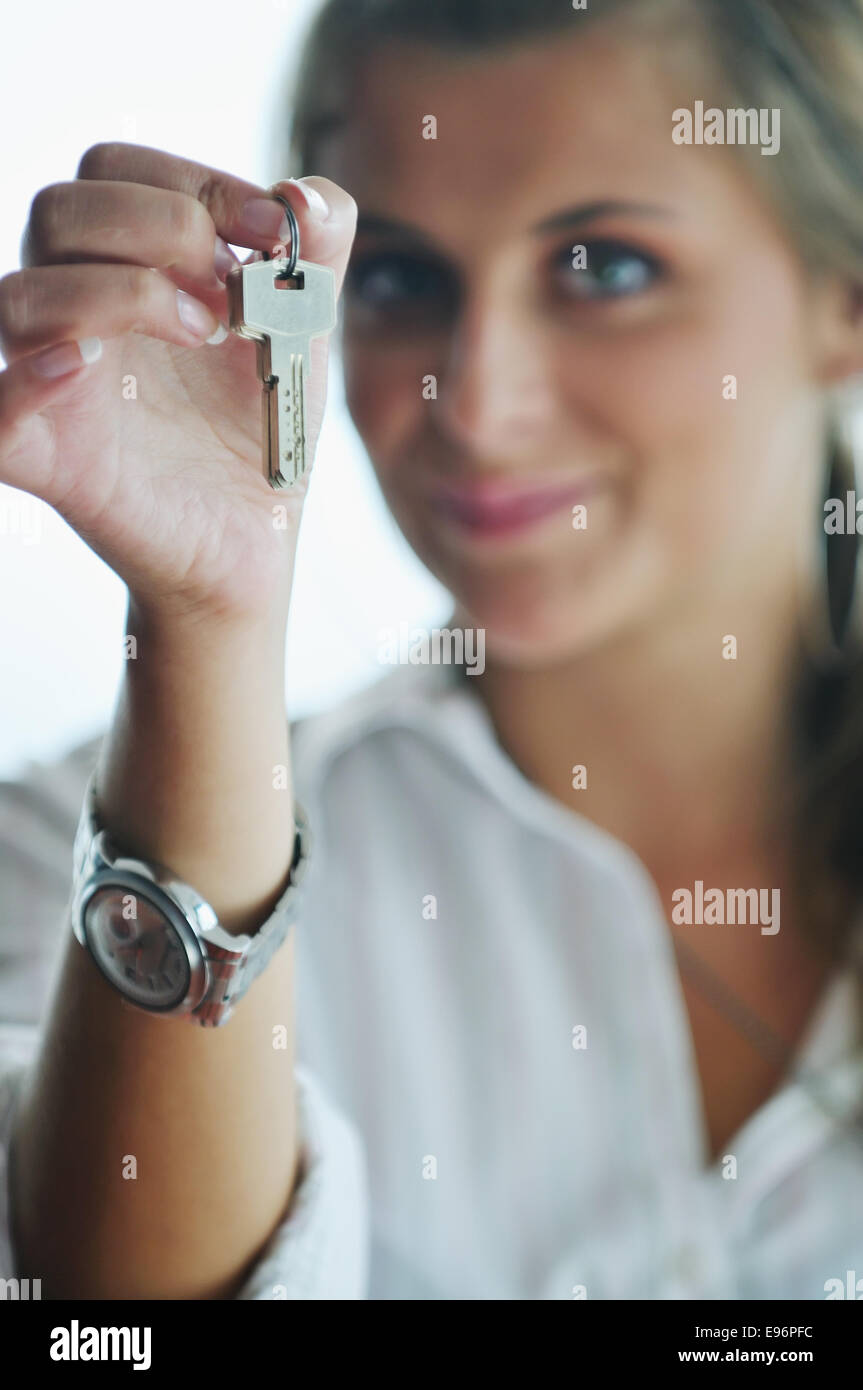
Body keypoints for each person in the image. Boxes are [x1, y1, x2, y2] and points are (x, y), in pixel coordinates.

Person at [1, 0, 863, 1300]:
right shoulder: (80, 858)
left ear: (843, 298)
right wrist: (210, 619)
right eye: (402, 278)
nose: (475, 400)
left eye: (603, 267)